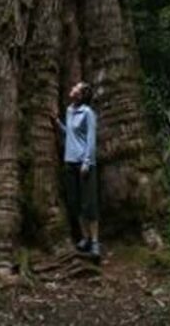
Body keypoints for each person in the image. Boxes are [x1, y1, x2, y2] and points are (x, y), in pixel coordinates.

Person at [54, 81, 100, 261]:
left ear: (80, 95)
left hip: (84, 163)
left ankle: (95, 241)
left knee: (89, 204)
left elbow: (90, 139)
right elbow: (71, 134)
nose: (72, 89)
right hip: (70, 162)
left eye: (76, 88)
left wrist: (87, 162)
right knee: (75, 202)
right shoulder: (69, 110)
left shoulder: (88, 113)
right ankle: (85, 238)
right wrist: (58, 124)